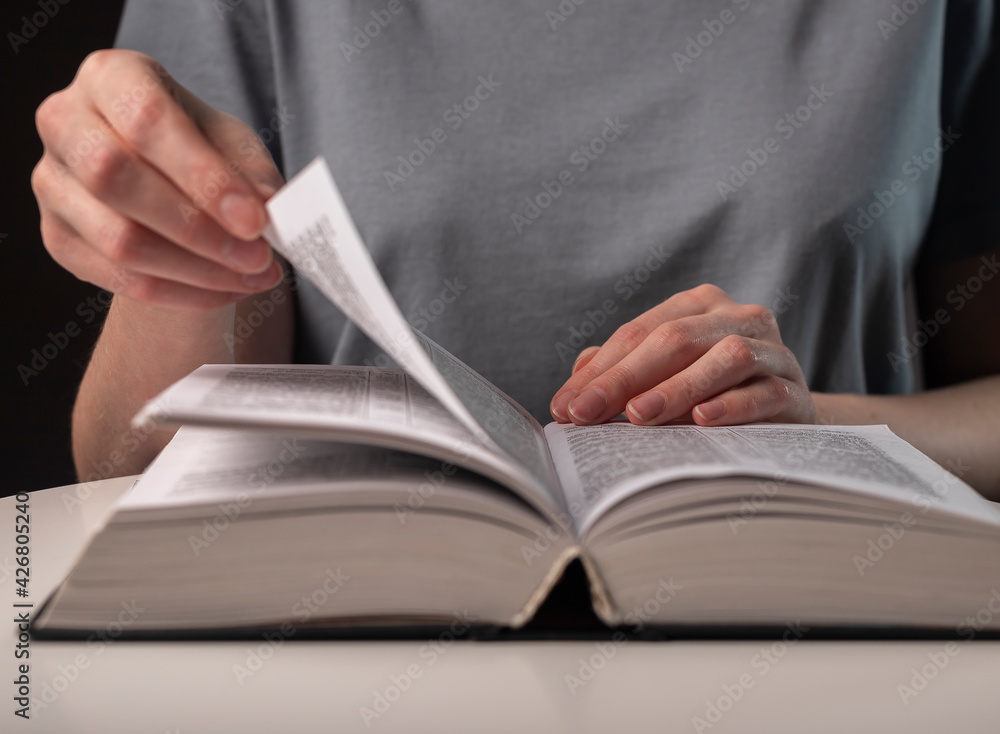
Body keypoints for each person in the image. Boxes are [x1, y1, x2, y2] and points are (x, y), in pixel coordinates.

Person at [32, 0, 1000, 496]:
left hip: (843, 642)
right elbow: (131, 458)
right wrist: (191, 250)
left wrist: (818, 431)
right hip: (347, 651)